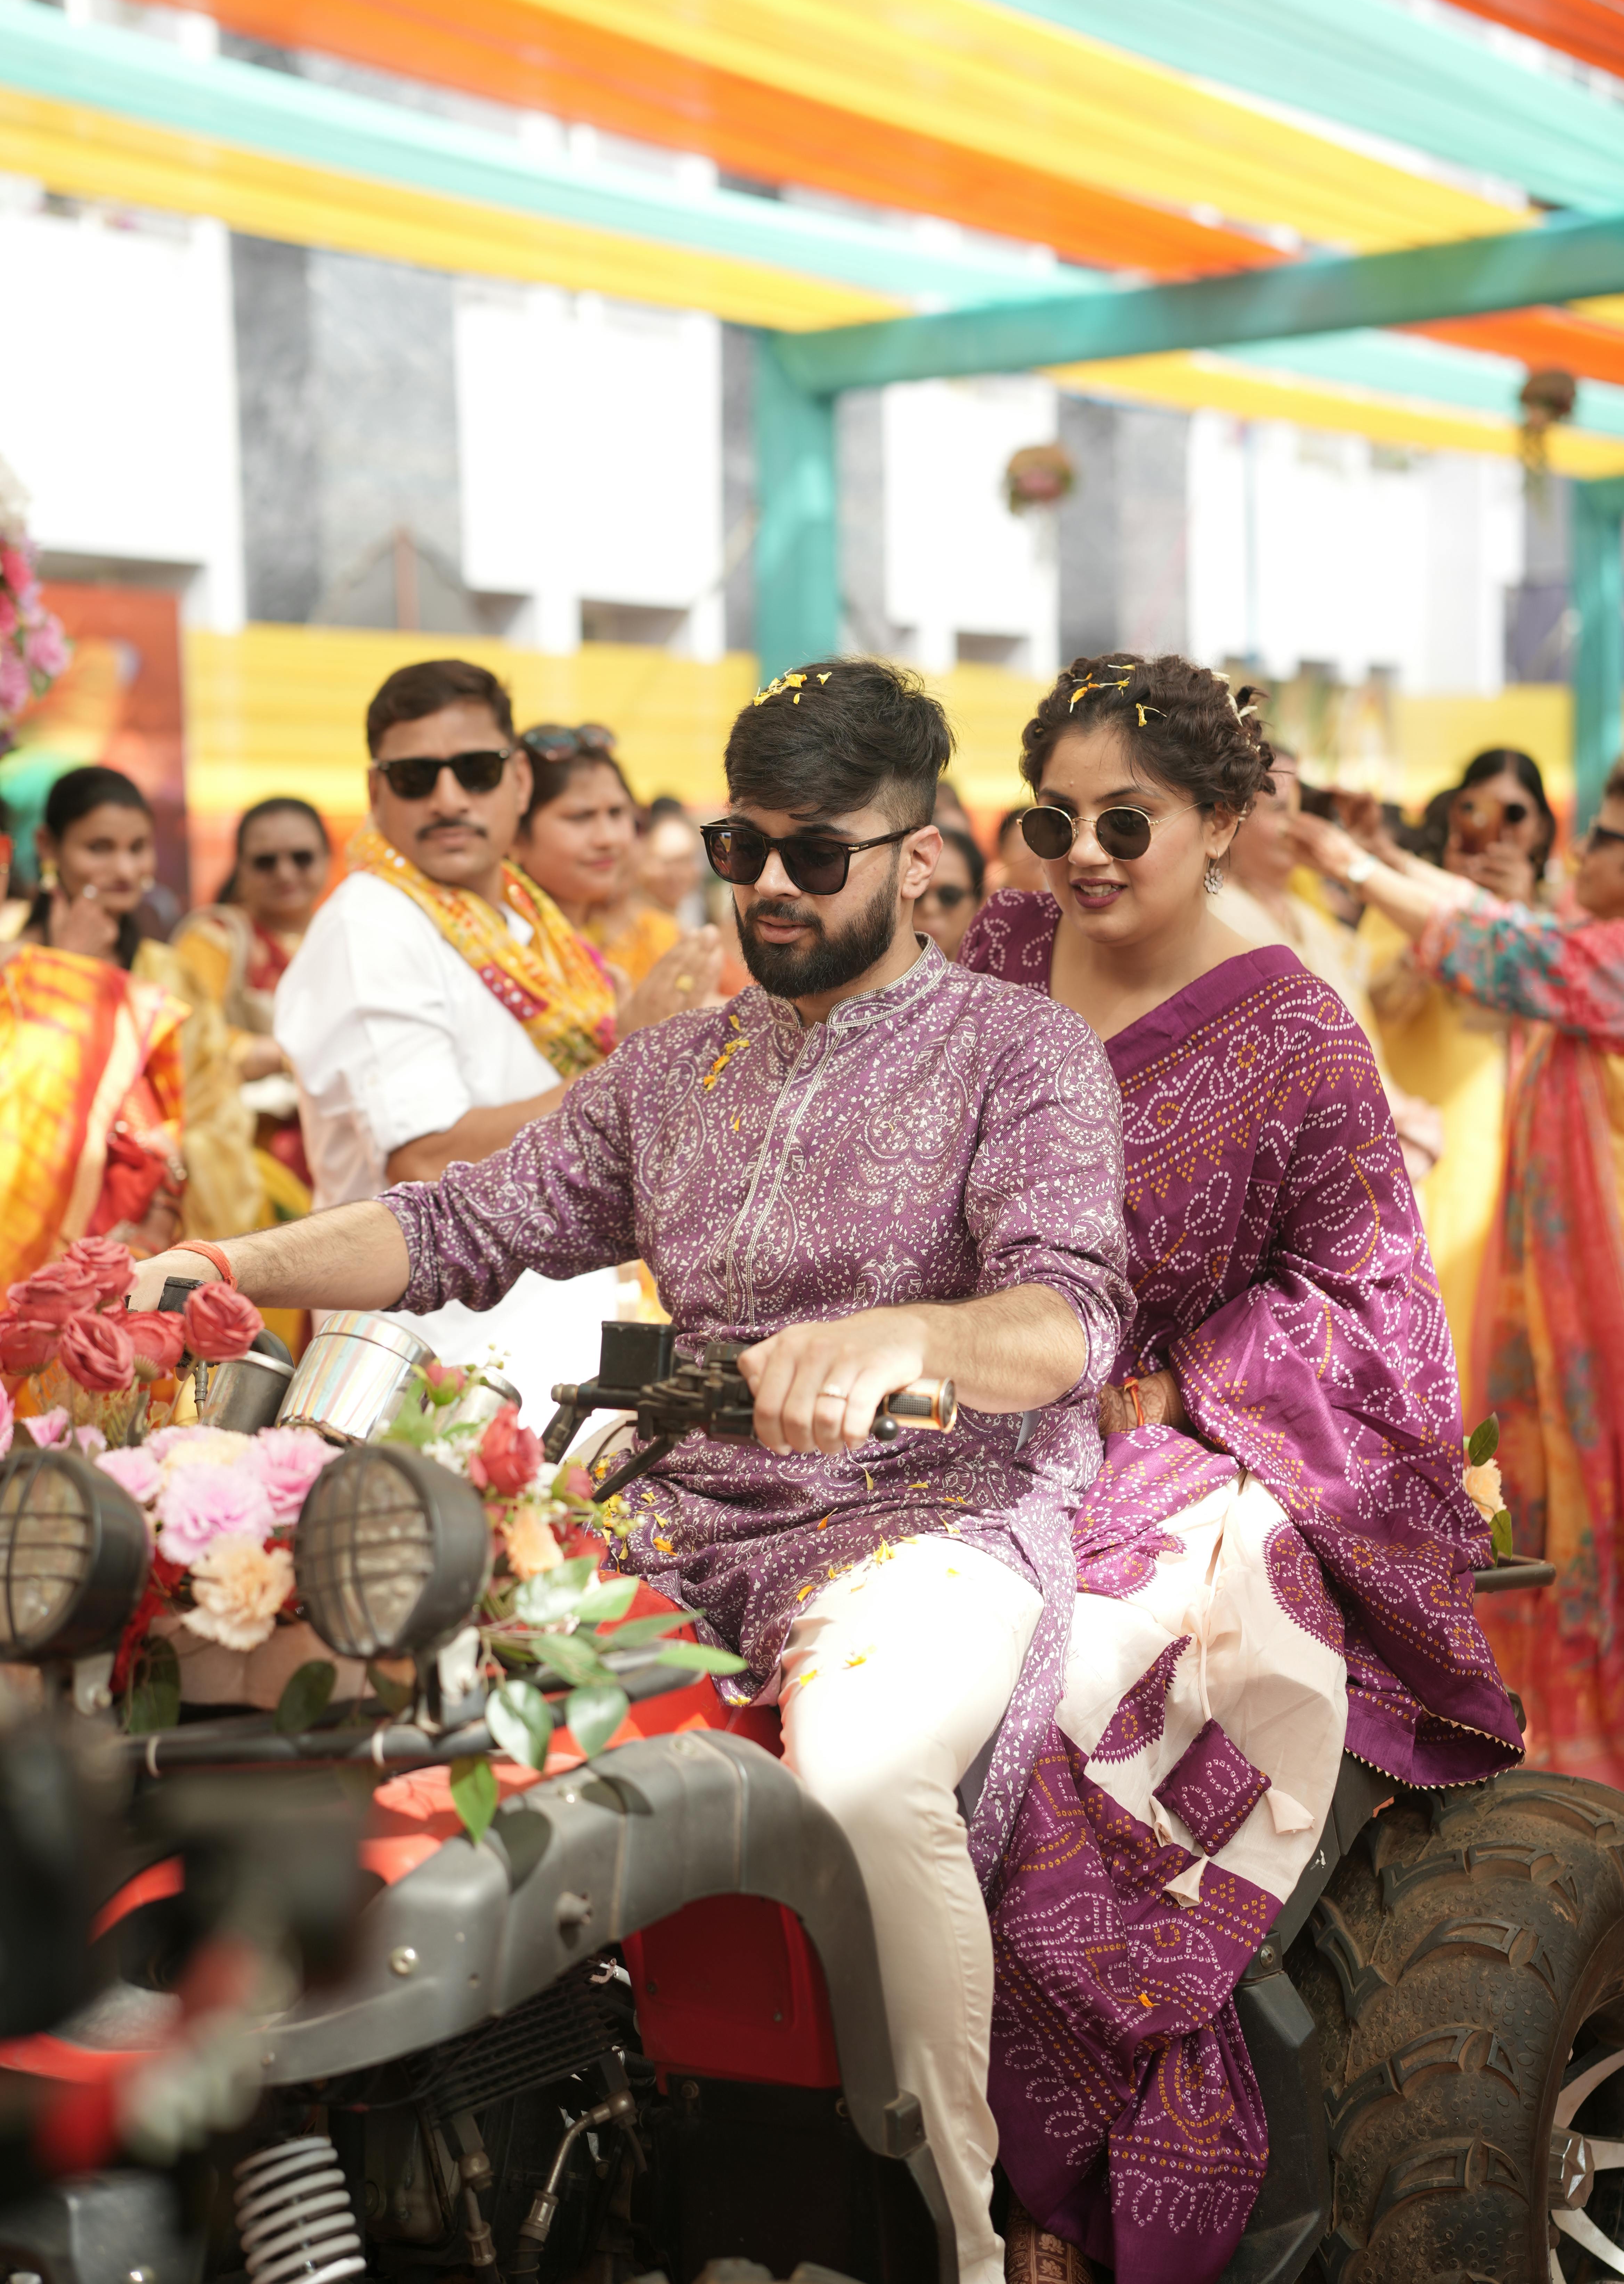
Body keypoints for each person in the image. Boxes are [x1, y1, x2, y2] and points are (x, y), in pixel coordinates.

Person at [133, 657, 1133, 2284]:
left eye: (817, 854)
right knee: (394, 1719)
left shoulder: (1019, 1053)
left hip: (929, 1512)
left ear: (914, 862)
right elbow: (457, 1222)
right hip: (668, 1516)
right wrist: (226, 1263)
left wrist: (902, 1336)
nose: (772, 886)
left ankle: (951, 2238)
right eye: (745, 851)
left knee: (863, 1779)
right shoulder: (680, 1071)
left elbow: (1067, 1318)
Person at [959, 655, 1520, 2281]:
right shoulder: (990, 957)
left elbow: (1370, 1308)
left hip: (1171, 1450)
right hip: (940, 1411)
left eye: (1124, 820)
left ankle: (1060, 2179)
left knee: (1060, 1692)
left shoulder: (1295, 1036)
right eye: (1052, 819)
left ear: (1217, 821)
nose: (1082, 854)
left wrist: (1179, 1389)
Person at [1292, 774, 1624, 1789]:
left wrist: (1352, 863)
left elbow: (1499, 948)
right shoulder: (1587, 944)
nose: (1587, 850)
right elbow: (1497, 923)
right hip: (1554, 1289)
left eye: (1608, 836)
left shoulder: (1600, 960)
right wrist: (1382, 861)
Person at [273, 663, 720, 1417]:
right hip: (430, 1374)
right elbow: (426, 1157)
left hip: (545, 1354)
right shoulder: (373, 924)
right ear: (376, 791)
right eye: (415, 776)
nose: (449, 798)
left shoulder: (526, 921)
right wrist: (627, 1062)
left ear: (517, 781)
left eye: (475, 771)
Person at [1350, 749, 1556, 1376]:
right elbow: (1371, 1010)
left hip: (1528, 1154)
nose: (1495, 828)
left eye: (1515, 814)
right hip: (1431, 1149)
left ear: (1541, 829)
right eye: (1477, 808)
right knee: (1436, 1324)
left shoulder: (1557, 921)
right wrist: (1441, 933)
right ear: (1452, 812)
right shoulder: (1403, 903)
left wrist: (1517, 920)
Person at [1208, 745, 1443, 1181]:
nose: (1299, 826)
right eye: (1281, 810)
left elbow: (1365, 1013)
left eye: (1304, 808)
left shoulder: (1310, 918)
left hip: (1371, 1142)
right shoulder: (1214, 918)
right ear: (1227, 819)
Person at [0, 767, 189, 1281]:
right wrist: (68, 973)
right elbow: (22, 1110)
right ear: (48, 846)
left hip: (152, 1242)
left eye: (138, 848)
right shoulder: (14, 967)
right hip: (30, 1233)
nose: (124, 869)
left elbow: (208, 1115)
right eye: (99, 848)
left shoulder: (168, 975)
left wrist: (165, 1214)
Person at [173, 796, 332, 1212]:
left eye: (301, 858)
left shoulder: (344, 936)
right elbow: (185, 1039)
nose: (285, 873)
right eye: (266, 862)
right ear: (240, 868)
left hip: (340, 1145)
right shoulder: (215, 938)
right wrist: (275, 1055)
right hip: (249, 1162)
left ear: (327, 859)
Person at [512, 725, 719, 1007]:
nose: (608, 838)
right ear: (516, 834)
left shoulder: (658, 939)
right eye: (580, 817)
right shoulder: (503, 947)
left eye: (617, 813)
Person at [915, 824, 985, 962]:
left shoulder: (997, 974)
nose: (929, 908)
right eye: (916, 894)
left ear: (978, 902)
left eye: (949, 896)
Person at [639, 795, 707, 930]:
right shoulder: (636, 924)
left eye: (686, 861)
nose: (677, 874)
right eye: (667, 862)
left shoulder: (689, 911)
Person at [987, 804, 1048, 896]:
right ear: (1003, 850)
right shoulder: (993, 899)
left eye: (1042, 843)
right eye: (1023, 845)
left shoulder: (1062, 899)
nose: (1033, 853)